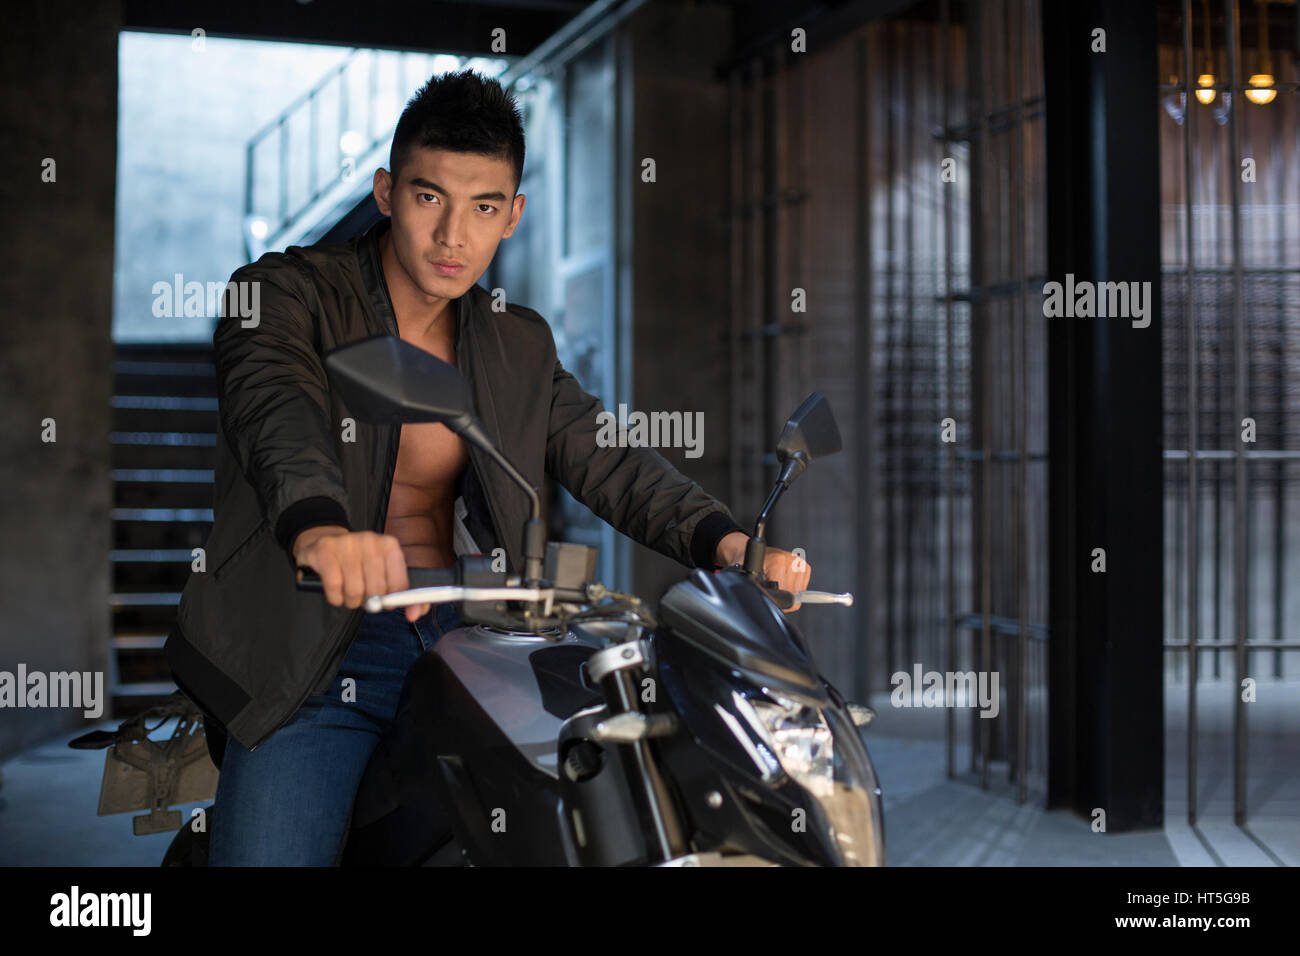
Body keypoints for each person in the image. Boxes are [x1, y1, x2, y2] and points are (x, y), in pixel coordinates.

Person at [165, 69, 811, 866]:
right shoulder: (285, 295)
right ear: (385, 192)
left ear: (514, 215)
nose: (451, 238)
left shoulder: (517, 342)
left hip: (468, 637)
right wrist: (321, 527)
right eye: (429, 197)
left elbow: (608, 458)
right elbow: (278, 411)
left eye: (483, 207)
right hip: (315, 649)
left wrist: (731, 546)